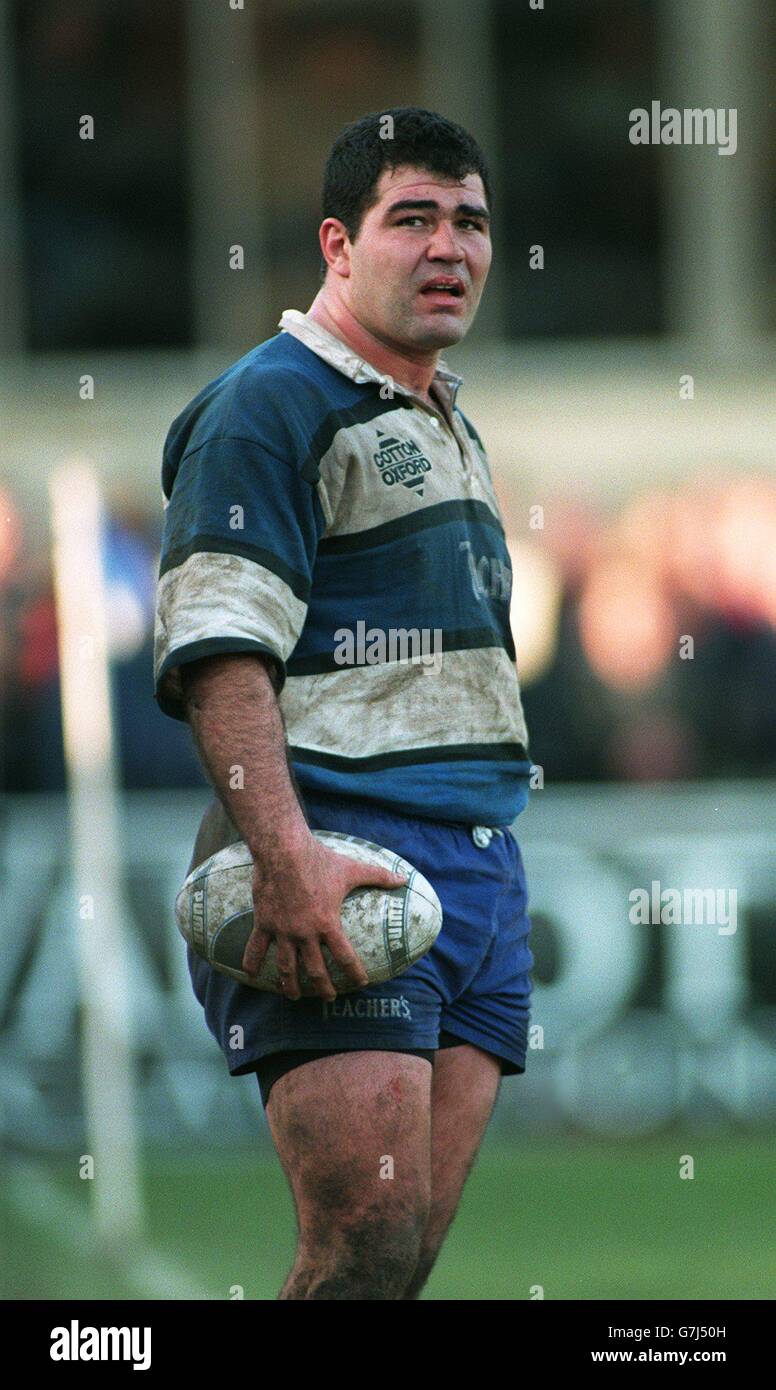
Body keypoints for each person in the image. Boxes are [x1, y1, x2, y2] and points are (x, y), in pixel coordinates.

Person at [154, 107, 534, 1300]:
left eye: (467, 222)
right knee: (359, 1250)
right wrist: (283, 856)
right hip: (342, 845)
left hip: (478, 870)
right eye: (409, 218)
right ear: (336, 244)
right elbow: (220, 650)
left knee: (398, 1266)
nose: (447, 248)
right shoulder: (271, 401)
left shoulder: (440, 414)